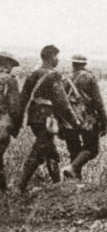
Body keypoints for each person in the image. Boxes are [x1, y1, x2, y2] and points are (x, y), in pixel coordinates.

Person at [17, 44, 79, 193]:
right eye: (57, 56)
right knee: (39, 149)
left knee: (50, 150)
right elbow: (62, 102)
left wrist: (18, 121)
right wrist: (74, 120)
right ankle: (20, 188)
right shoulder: (54, 75)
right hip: (47, 118)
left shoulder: (33, 73)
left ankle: (56, 185)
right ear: (51, 57)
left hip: (34, 118)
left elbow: (23, 98)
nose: (58, 60)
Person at [60, 54, 107, 180]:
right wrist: (104, 122)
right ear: (84, 64)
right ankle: (73, 168)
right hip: (87, 119)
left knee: (74, 150)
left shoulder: (64, 79)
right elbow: (98, 102)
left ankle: (75, 180)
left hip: (68, 119)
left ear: (73, 64)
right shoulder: (89, 77)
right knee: (92, 149)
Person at [0, 51, 21, 193]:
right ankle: (3, 190)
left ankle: (3, 189)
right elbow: (14, 107)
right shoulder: (10, 79)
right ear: (7, 64)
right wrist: (15, 126)